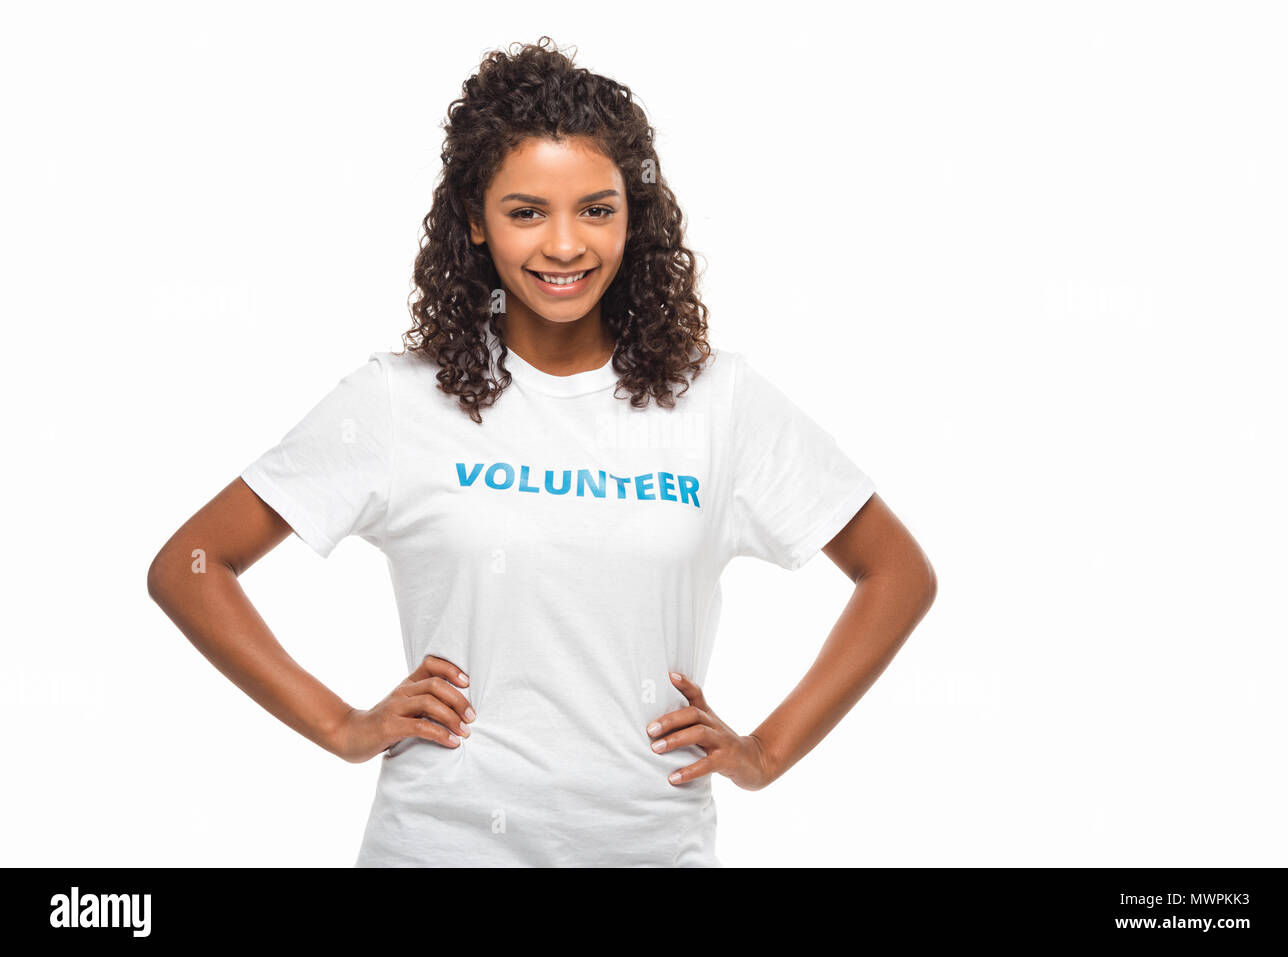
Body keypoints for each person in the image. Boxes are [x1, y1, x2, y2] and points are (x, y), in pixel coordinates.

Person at [146, 36, 937, 867]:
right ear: (477, 225)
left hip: (651, 848)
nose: (565, 246)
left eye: (596, 208)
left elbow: (896, 571)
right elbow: (193, 563)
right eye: (527, 212)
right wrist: (343, 725)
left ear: (636, 216)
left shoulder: (718, 403)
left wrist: (766, 754)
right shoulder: (398, 402)